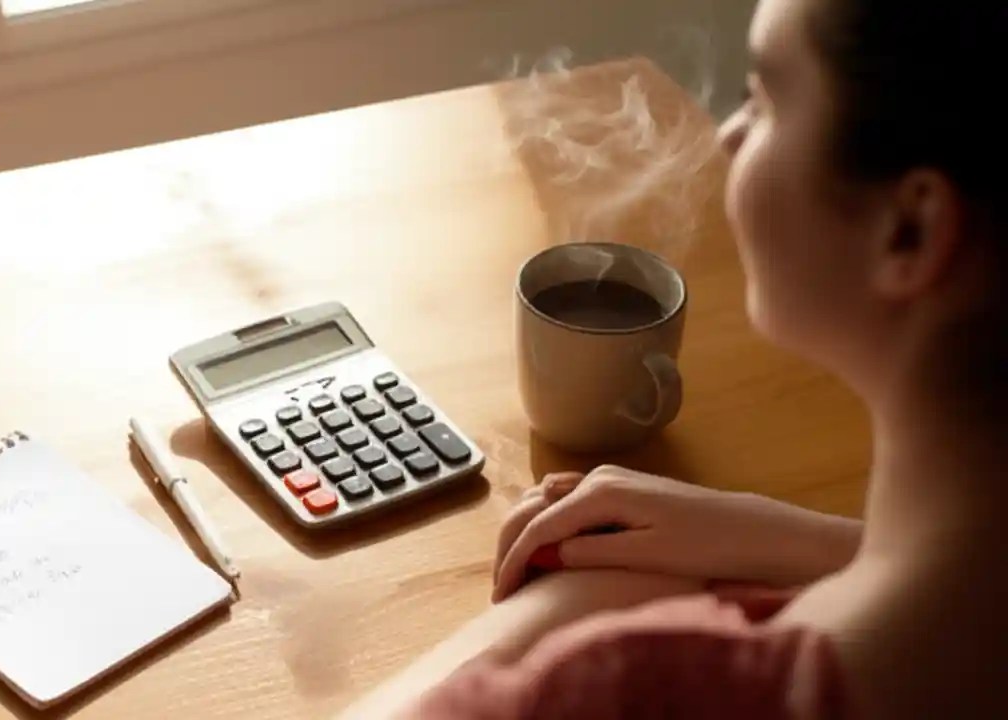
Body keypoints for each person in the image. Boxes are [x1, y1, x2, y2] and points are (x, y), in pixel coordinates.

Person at [340, 0, 1007, 716]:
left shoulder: (633, 689)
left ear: (908, 231)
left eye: (767, 100)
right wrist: (780, 534)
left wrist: (564, 609)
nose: (728, 132)